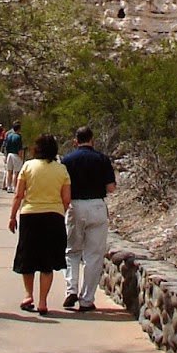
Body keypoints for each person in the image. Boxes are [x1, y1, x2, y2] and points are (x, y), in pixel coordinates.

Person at [8, 133, 70, 315]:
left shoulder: (27, 166)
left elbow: (19, 194)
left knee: (27, 256)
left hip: (30, 215)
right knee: (47, 261)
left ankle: (29, 295)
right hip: (54, 216)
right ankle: (43, 301)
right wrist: (59, 211)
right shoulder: (62, 170)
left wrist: (12, 216)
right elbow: (66, 198)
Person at [61, 126, 117, 313]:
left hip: (75, 205)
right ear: (92, 140)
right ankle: (86, 299)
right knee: (94, 255)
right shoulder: (102, 159)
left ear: (75, 141)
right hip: (97, 206)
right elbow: (111, 188)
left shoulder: (67, 160)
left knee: (72, 250)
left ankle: (71, 288)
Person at [2, 120, 24, 193]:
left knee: (9, 171)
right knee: (16, 172)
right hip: (15, 155)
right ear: (19, 128)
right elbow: (19, 149)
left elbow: (5, 146)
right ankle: (14, 187)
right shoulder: (18, 137)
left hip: (9, 154)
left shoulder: (8, 135)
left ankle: (9, 186)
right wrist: (21, 158)